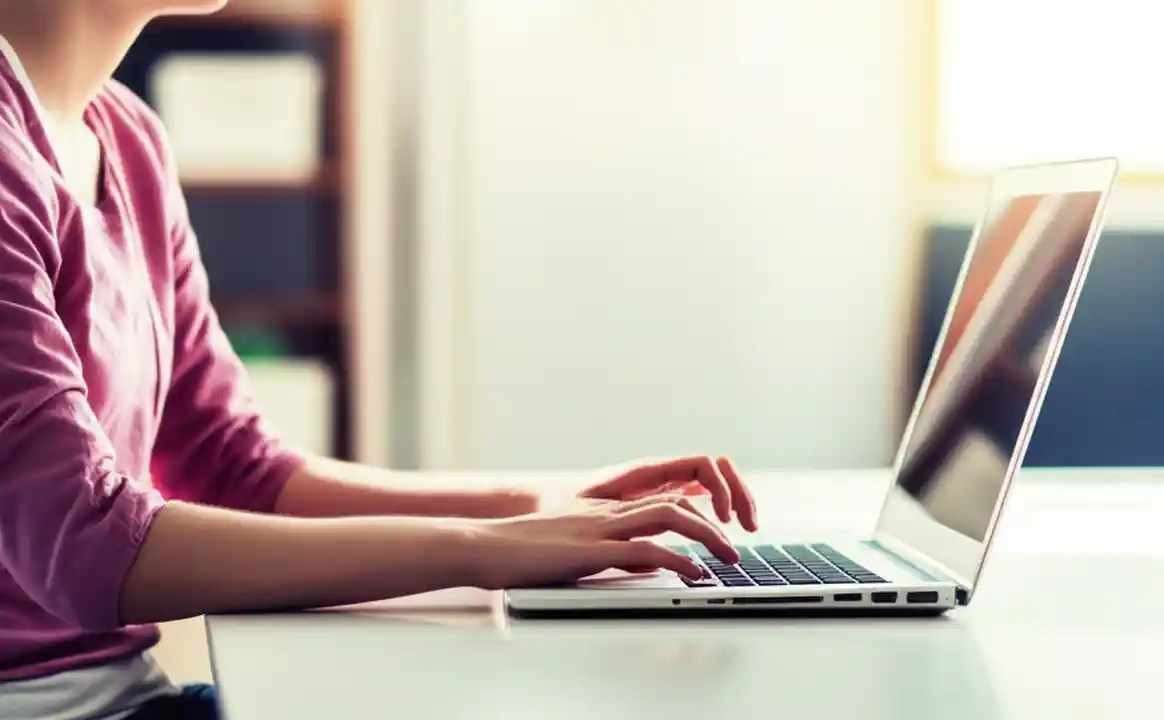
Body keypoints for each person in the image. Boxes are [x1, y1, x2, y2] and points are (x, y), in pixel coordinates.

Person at [0, 1, 757, 717]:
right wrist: (482, 551)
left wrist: (532, 507)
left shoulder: (128, 137)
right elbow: (88, 547)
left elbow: (231, 465)